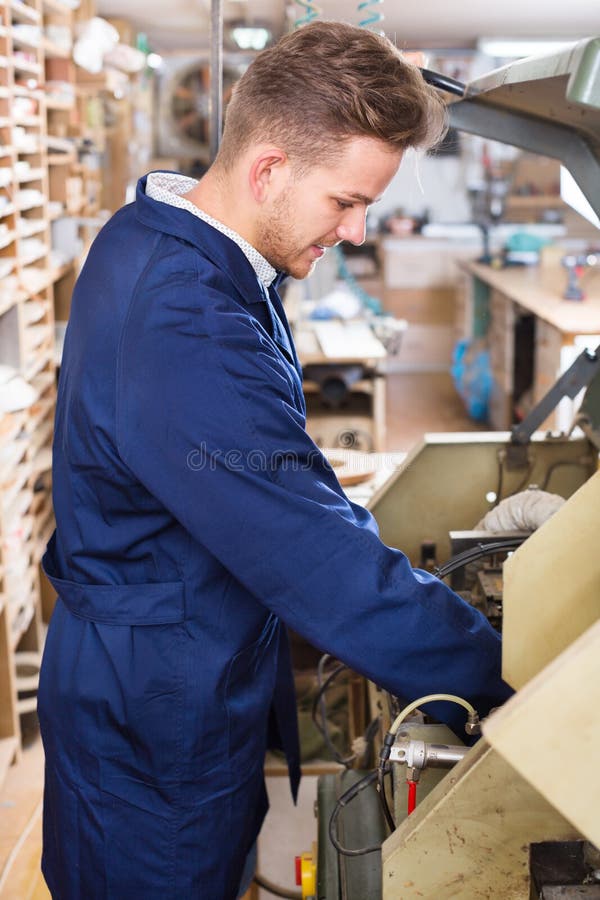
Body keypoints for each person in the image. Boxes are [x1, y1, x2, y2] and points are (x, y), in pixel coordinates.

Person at [38, 20, 512, 900]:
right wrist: (507, 674)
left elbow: (229, 455)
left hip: (174, 670)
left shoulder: (177, 242)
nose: (360, 230)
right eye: (345, 201)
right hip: (154, 714)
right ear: (268, 171)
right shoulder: (183, 317)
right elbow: (319, 564)